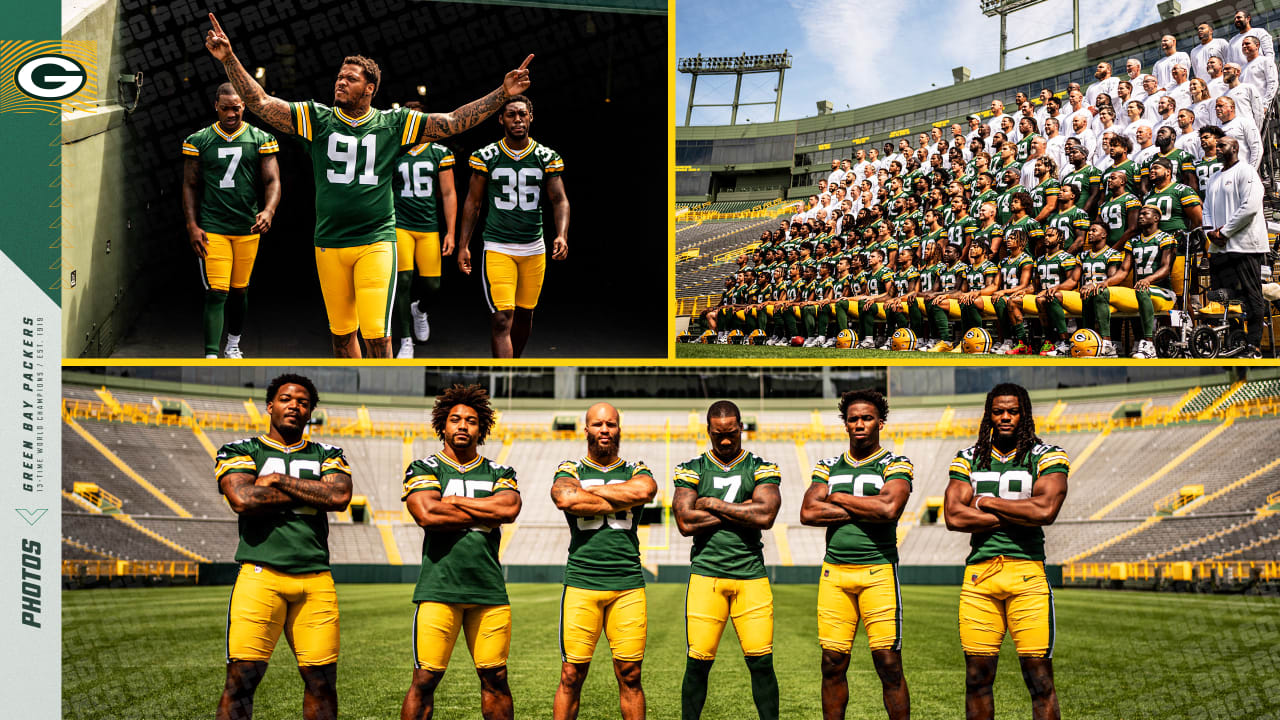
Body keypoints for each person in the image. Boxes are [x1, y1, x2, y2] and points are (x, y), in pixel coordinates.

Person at [203, 13, 532, 358]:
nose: (340, 82)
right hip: (329, 243)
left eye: (350, 78)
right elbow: (261, 103)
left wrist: (502, 95)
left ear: (370, 88)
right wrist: (228, 59)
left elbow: (451, 122)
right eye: (339, 76)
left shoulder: (393, 123)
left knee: (377, 336)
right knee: (342, 339)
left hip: (375, 240)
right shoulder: (317, 118)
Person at [214, 374, 352, 720]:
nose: (294, 406)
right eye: (287, 399)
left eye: (303, 402)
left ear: (311, 413)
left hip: (316, 580)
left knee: (321, 682)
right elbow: (244, 499)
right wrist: (309, 490)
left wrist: (276, 480)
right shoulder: (240, 449)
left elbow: (339, 496)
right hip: (261, 576)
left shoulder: (329, 453)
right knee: (242, 679)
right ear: (270, 406)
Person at [943, 384, 1069, 720]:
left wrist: (984, 502)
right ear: (988, 415)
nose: (1005, 418)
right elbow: (954, 516)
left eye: (1012, 411)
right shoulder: (967, 457)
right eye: (998, 411)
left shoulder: (1047, 455)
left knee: (1039, 679)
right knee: (977, 679)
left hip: (1026, 574)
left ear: (1024, 414)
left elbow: (1044, 511)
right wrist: (1015, 513)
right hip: (979, 577)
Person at [400, 384, 522, 720]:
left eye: (470, 420)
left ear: (481, 427)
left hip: (489, 591)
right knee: (425, 678)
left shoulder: (500, 471)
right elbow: (427, 514)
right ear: (443, 425)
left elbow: (509, 509)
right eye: (455, 419)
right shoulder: (424, 467)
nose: (463, 426)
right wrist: (485, 508)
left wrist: (452, 501)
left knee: (496, 678)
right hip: (439, 588)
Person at [800, 390, 912, 720]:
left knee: (888, 663)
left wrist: (837, 498)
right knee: (832, 663)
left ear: (881, 422)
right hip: (835, 574)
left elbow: (889, 507)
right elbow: (808, 512)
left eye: (867, 418)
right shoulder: (827, 465)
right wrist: (868, 508)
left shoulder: (896, 463)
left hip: (878, 572)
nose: (859, 424)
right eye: (853, 419)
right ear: (845, 424)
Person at [674, 401, 782, 720]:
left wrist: (711, 504)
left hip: (751, 576)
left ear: (741, 429)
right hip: (708, 576)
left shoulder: (762, 466)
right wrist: (739, 509)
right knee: (698, 662)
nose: (724, 441)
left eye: (731, 434)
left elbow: (766, 515)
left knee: (761, 662)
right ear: (708, 430)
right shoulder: (691, 467)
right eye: (718, 434)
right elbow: (685, 523)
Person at [550, 403, 657, 720]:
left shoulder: (636, 468)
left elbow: (646, 490)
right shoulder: (570, 469)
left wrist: (590, 496)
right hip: (582, 583)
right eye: (598, 424)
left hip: (627, 585)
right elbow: (565, 498)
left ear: (619, 429)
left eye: (611, 424)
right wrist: (622, 495)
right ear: (586, 430)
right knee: (571, 675)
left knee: (631, 675)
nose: (604, 429)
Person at [459, 95, 570, 358]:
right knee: (501, 318)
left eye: (522, 114)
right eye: (511, 114)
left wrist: (562, 235)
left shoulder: (546, 156)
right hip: (498, 246)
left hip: (534, 248)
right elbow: (473, 203)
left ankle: (513, 366)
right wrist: (463, 245)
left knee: (524, 316)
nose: (517, 119)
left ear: (531, 117)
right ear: (501, 119)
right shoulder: (486, 155)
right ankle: (504, 379)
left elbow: (559, 199)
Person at [183, 83, 281, 359]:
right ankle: (211, 355)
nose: (231, 114)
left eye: (236, 108)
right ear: (216, 106)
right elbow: (189, 184)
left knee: (239, 291)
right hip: (214, 226)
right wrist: (192, 225)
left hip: (246, 227)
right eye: (225, 108)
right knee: (217, 292)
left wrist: (269, 210)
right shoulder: (199, 140)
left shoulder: (260, 138)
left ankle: (233, 344)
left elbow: (272, 180)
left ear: (244, 107)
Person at [392, 101, 457, 358]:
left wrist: (451, 231)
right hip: (400, 225)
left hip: (428, 227)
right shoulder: (394, 151)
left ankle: (419, 310)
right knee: (404, 280)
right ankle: (406, 340)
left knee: (433, 285)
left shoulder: (439, 152)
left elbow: (449, 193)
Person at [1204, 136, 1270, 358]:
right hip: (1220, 248)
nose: (1218, 148)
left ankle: (1254, 346)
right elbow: (1206, 210)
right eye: (1217, 146)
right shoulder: (1214, 178)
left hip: (1245, 245)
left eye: (1222, 145)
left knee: (1252, 295)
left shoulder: (1247, 171)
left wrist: (1224, 232)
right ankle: (1236, 343)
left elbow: (1250, 207)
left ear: (1235, 148)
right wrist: (1210, 232)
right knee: (1226, 299)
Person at [1128, 205, 1178, 359]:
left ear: (1156, 218)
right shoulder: (1133, 241)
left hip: (1164, 292)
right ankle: (1111, 346)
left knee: (1141, 290)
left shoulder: (1165, 238)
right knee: (1123, 297)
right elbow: (1123, 270)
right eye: (1140, 214)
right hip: (1142, 291)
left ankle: (1148, 344)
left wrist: (1148, 279)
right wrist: (1104, 284)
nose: (1140, 216)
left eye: (1145, 214)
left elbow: (1165, 268)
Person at [1078, 220, 1132, 357]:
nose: (1089, 233)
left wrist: (1094, 285)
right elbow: (1073, 279)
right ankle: (1084, 342)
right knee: (1084, 294)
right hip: (1086, 293)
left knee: (1097, 292)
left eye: (1094, 230)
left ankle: (1107, 344)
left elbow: (1113, 278)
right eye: (1089, 230)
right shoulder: (1082, 255)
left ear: (1104, 235)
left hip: (1106, 293)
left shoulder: (1112, 254)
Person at [1034, 226, 1081, 355]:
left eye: (1050, 235)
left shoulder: (1067, 257)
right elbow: (1035, 284)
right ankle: (1047, 339)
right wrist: (1023, 291)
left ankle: (1062, 340)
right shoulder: (1039, 260)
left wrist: (1055, 288)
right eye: (1045, 235)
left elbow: (1071, 283)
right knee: (1038, 298)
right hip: (1044, 294)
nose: (1046, 238)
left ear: (1060, 238)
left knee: (1045, 298)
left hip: (1062, 294)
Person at [1214, 95, 1262, 168]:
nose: (1217, 108)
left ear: (1231, 108)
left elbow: (1257, 148)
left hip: (1243, 171)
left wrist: (1252, 171)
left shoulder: (1244, 122)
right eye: (1216, 107)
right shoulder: (1216, 129)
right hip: (1224, 174)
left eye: (1220, 106)